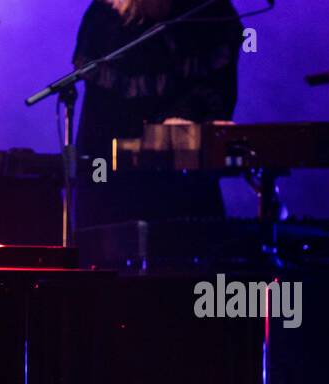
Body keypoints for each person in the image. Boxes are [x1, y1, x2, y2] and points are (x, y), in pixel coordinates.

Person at [72, 0, 242, 226]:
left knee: (191, 240)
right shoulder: (105, 17)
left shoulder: (210, 10)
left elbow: (219, 87)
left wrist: (184, 116)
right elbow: (100, 116)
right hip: (115, 177)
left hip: (186, 174)